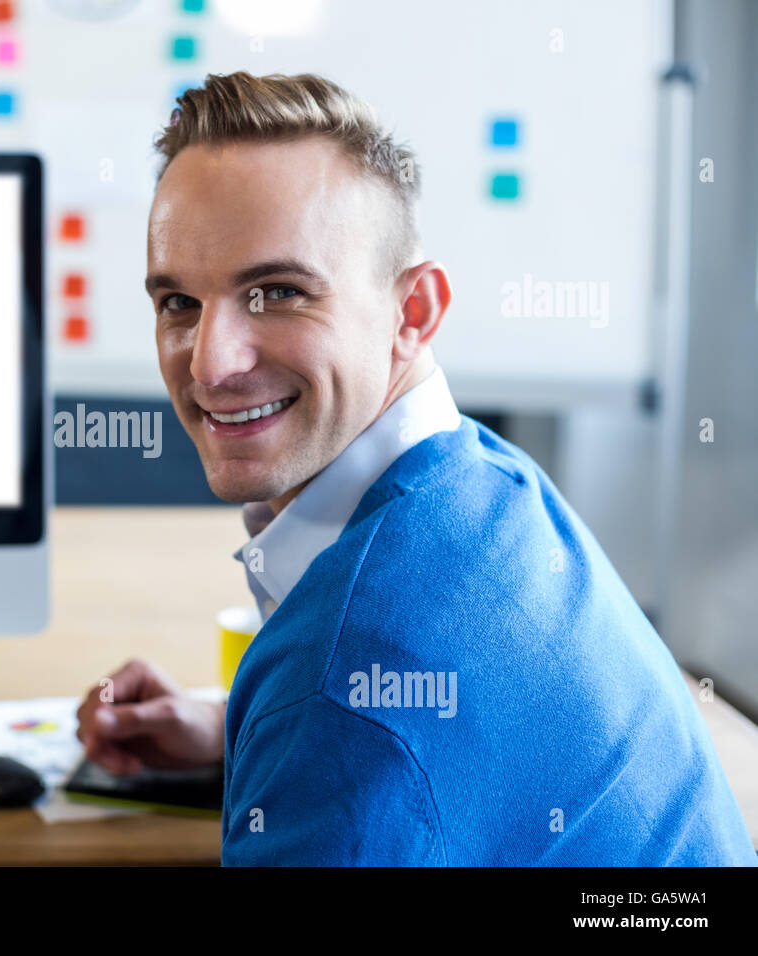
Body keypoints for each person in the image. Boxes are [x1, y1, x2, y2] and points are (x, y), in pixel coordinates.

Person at [76, 71, 756, 865]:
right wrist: (243, 735)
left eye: (278, 292)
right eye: (178, 303)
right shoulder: (488, 481)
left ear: (414, 313)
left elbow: (366, 726)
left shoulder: (344, 693)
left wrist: (310, 731)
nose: (209, 363)